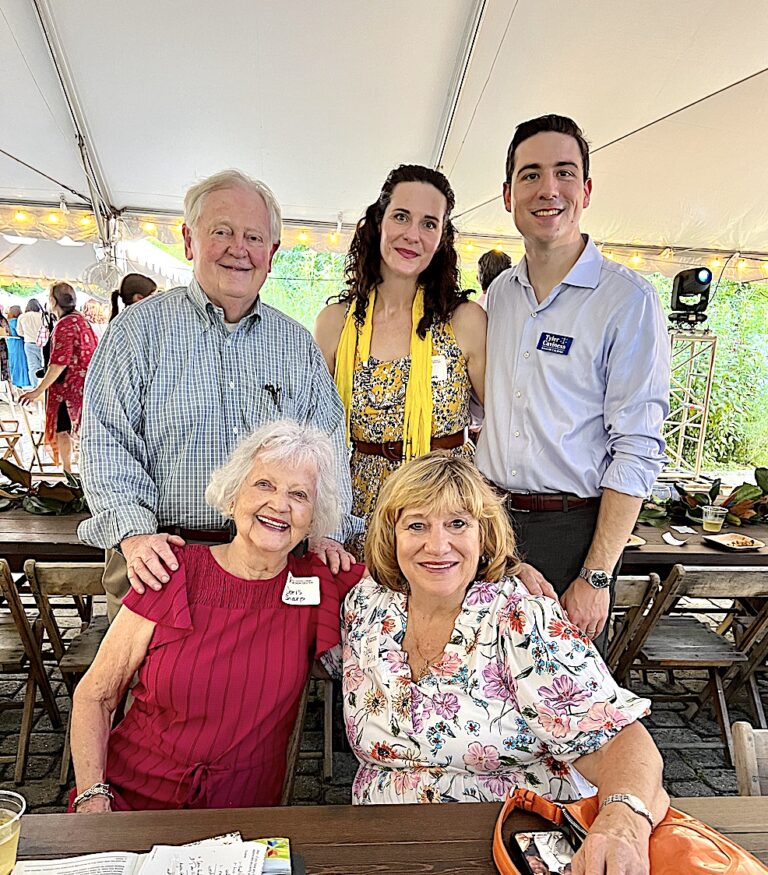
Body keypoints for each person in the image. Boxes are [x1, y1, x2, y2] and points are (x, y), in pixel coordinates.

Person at [333, 454, 668, 875]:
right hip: (382, 845)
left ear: (484, 534)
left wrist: (623, 823)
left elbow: (619, 741)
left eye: (458, 524)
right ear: (391, 535)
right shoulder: (367, 604)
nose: (437, 546)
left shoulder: (520, 619)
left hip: (505, 845)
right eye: (416, 524)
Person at [78, 169, 361, 621]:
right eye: (222, 232)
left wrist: (327, 530)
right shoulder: (136, 332)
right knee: (147, 691)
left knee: (266, 692)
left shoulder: (295, 345)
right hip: (162, 558)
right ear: (190, 241)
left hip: (270, 565)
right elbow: (104, 441)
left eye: (253, 237)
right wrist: (132, 534)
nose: (239, 249)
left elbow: (328, 448)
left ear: (271, 253)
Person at [71, 421, 365, 812]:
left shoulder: (321, 583)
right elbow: (96, 694)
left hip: (242, 818)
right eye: (263, 485)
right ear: (232, 497)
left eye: (299, 494)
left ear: (313, 520)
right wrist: (93, 797)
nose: (279, 504)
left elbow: (413, 583)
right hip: (130, 803)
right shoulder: (171, 572)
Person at [476, 115, 670, 652]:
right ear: (508, 194)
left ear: (585, 190)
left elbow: (638, 446)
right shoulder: (501, 297)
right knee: (488, 697)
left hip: (572, 533)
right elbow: (482, 410)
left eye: (564, 172)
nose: (548, 189)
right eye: (531, 174)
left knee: (566, 714)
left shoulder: (627, 301)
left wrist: (598, 574)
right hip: (489, 524)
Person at [314, 165, 487, 553]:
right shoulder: (334, 325)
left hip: (442, 516)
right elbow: (313, 434)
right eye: (401, 216)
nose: (413, 235)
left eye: (429, 223)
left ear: (443, 237)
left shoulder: (464, 321)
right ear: (378, 223)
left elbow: (506, 425)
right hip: (356, 515)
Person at [19, 283, 97, 472]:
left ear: (53, 301)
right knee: (79, 431)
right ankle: (77, 470)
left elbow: (59, 362)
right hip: (85, 386)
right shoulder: (82, 321)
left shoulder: (65, 325)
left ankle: (68, 471)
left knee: (64, 430)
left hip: (68, 389)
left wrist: (38, 390)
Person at [16, 298, 44, 386]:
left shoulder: (22, 316)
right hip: (42, 343)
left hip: (28, 343)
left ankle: (35, 386)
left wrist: (27, 335)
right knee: (45, 366)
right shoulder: (42, 316)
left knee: (33, 366)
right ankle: (44, 386)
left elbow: (19, 332)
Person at [4, 305, 31, 388]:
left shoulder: (8, 322)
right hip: (19, 343)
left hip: (11, 344)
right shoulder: (17, 321)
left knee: (14, 362)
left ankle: (15, 380)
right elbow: (20, 332)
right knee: (21, 361)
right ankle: (23, 381)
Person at [0, 305, 11, 384]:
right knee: (4, 363)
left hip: (2, 343)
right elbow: (7, 332)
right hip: (2, 343)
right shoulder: (2, 319)